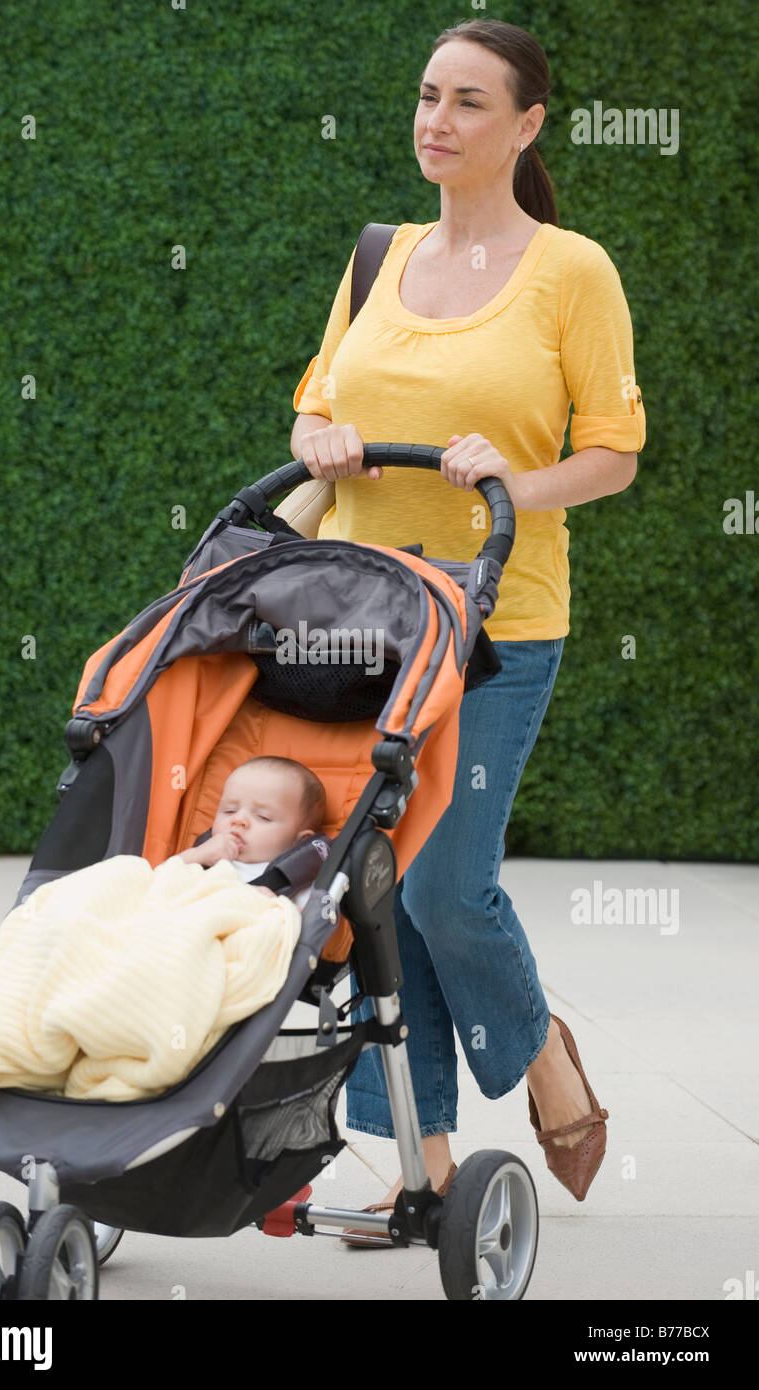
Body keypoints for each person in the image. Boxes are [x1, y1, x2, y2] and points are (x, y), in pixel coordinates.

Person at [289, 17, 645, 1238]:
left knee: (445, 885)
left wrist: (515, 474)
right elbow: (313, 411)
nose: (437, 120)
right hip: (359, 620)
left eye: (470, 102)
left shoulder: (572, 271)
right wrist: (322, 440)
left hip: (497, 620)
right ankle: (424, 1164)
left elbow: (614, 452)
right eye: (429, 96)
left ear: (529, 124)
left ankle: (540, 1043)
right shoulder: (377, 256)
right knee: (370, 892)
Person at [177, 756, 328, 908]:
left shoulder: (294, 880)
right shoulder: (201, 857)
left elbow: (305, 925)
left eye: (263, 817)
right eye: (229, 811)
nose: (239, 819)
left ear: (300, 842)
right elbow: (158, 882)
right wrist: (195, 855)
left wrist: (277, 906)